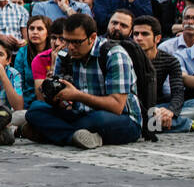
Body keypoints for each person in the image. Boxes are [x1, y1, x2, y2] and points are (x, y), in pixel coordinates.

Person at [24, 12, 141, 149]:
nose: (71, 47)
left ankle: (50, 132)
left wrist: (77, 95)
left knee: (97, 119)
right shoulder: (65, 55)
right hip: (79, 114)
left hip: (121, 119)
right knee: (35, 110)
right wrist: (57, 99)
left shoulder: (113, 55)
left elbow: (117, 106)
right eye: (66, 40)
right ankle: (74, 136)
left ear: (92, 38)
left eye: (76, 42)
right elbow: (63, 100)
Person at [130, 15, 189, 133]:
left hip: (160, 105)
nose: (139, 38)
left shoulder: (170, 60)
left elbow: (177, 92)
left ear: (157, 38)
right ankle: (188, 124)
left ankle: (153, 123)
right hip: (136, 106)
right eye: (136, 34)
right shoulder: (126, 58)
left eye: (144, 34)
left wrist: (170, 111)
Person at [13, 14, 50, 93]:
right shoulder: (22, 52)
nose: (35, 32)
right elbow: (18, 83)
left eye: (40, 29)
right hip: (27, 99)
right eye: (31, 29)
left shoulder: (53, 53)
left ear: (48, 33)